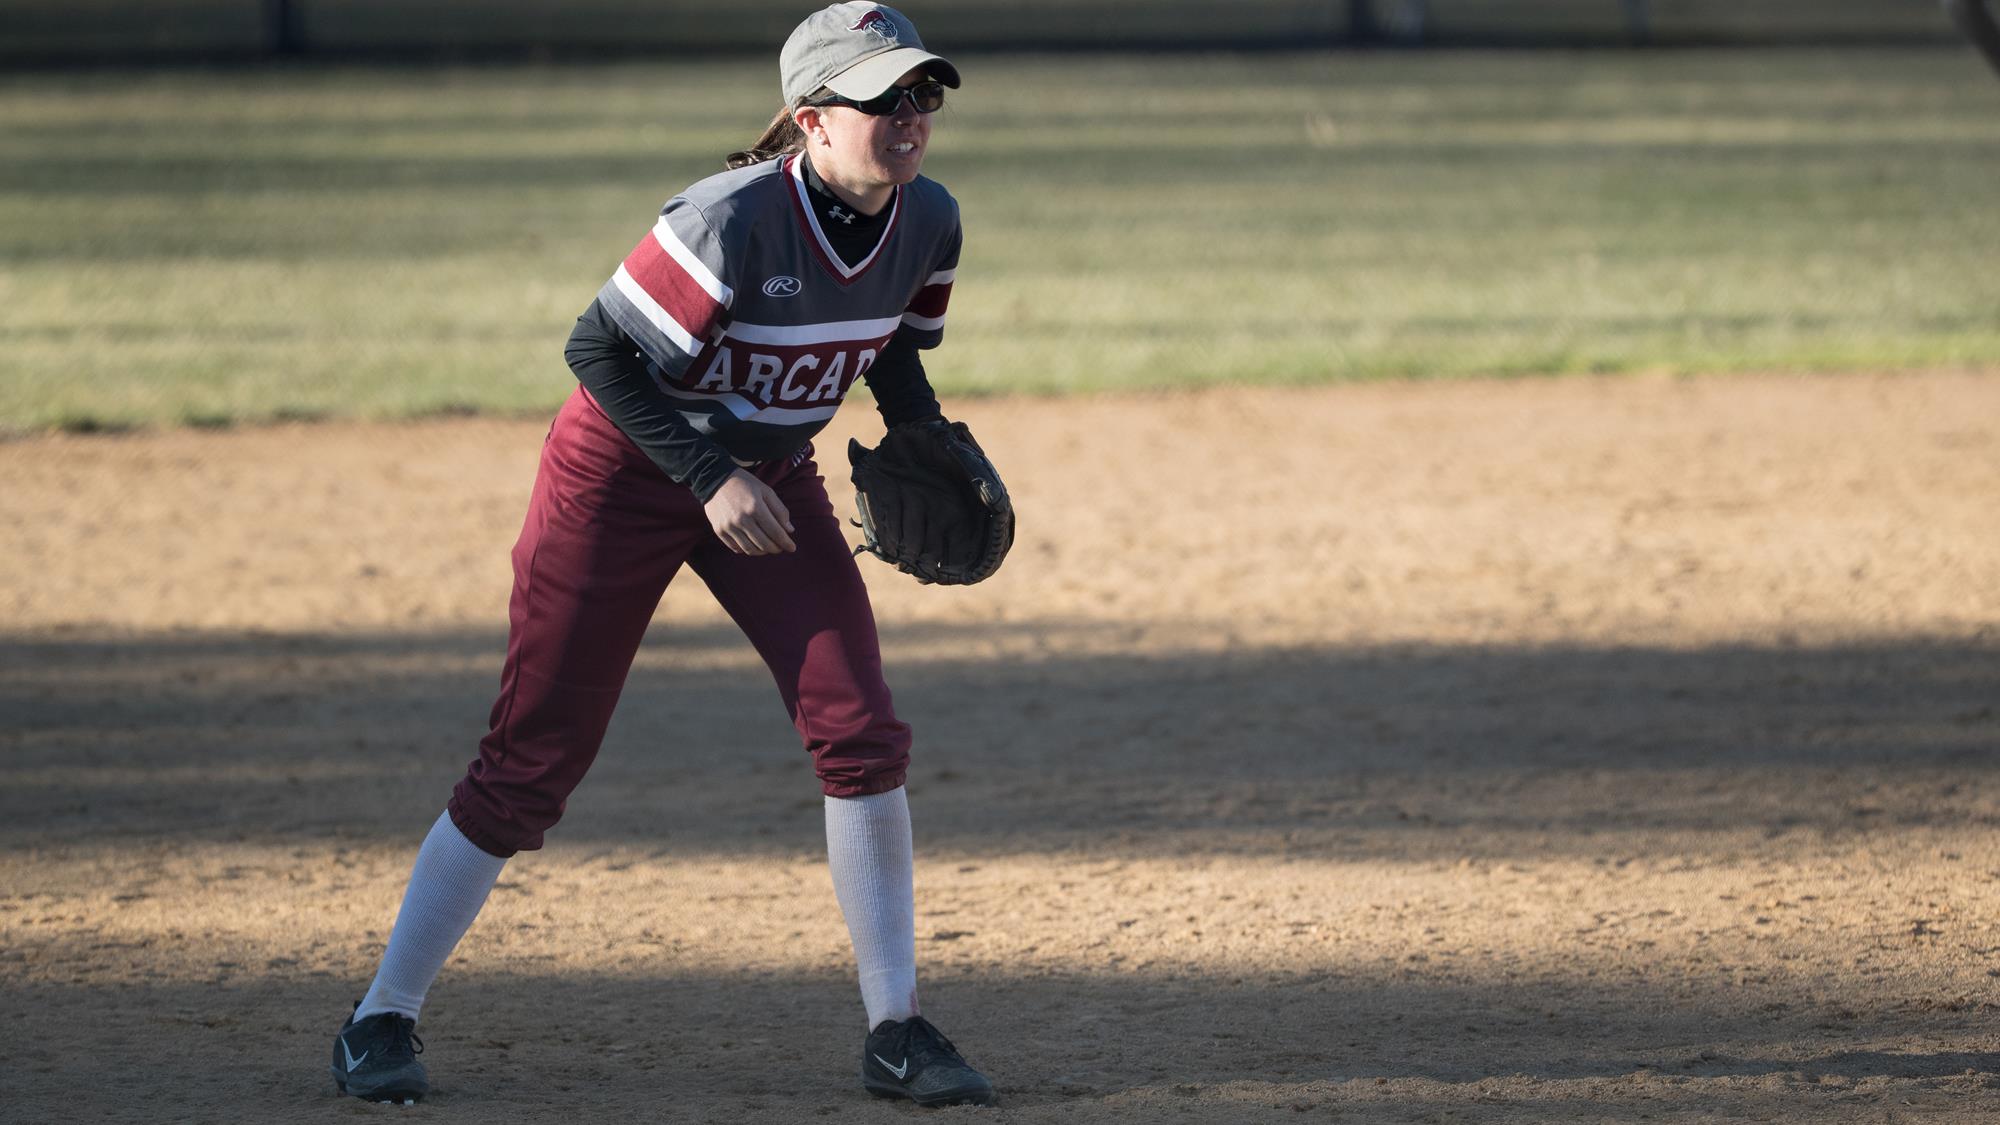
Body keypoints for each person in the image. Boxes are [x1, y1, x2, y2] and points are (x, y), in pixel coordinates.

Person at [327, 3, 995, 1108]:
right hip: (624, 479)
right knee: (530, 761)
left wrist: (923, 440)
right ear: (812, 120)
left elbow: (892, 355)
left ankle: (898, 1030)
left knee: (858, 726)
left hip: (767, 482)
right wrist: (707, 476)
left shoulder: (929, 221)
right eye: (883, 98)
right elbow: (596, 350)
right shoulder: (727, 220)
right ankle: (379, 1016)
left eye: (922, 94)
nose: (910, 117)